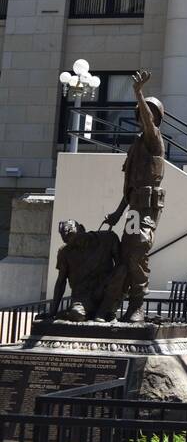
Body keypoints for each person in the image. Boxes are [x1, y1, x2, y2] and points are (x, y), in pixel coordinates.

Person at [97, 69, 166, 323]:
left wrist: (138, 92)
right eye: (140, 111)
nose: (143, 116)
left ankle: (137, 305)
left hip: (147, 211)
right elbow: (130, 188)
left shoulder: (153, 139)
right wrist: (117, 212)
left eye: (148, 113)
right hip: (134, 209)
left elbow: (149, 122)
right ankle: (112, 305)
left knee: (138, 253)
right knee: (125, 256)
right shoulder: (136, 146)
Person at [50, 219, 119, 320]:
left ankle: (103, 312)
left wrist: (107, 282)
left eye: (76, 239)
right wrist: (52, 312)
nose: (75, 244)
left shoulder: (108, 239)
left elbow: (120, 265)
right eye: (69, 242)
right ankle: (68, 313)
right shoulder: (65, 252)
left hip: (106, 292)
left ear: (82, 229)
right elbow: (61, 282)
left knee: (123, 270)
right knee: (77, 314)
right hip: (83, 298)